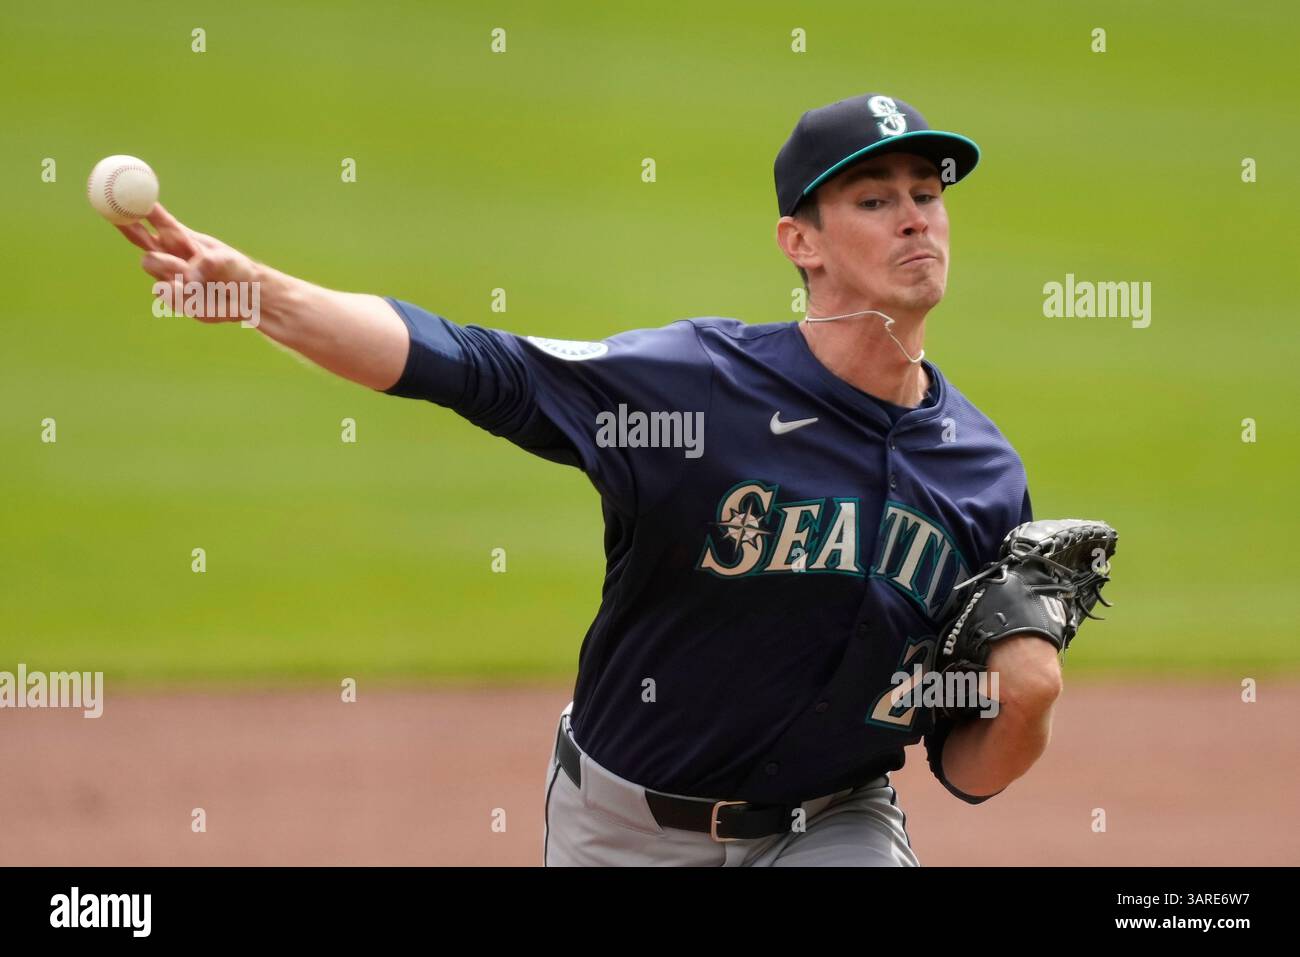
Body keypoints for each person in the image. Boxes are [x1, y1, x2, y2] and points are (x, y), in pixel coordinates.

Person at [114, 93, 1065, 867]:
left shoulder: (983, 472)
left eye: (926, 194)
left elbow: (968, 769)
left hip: (836, 828)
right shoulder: (698, 388)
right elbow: (472, 362)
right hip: (623, 832)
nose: (914, 217)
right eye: (873, 198)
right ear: (800, 243)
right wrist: (262, 295)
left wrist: (1027, 701)